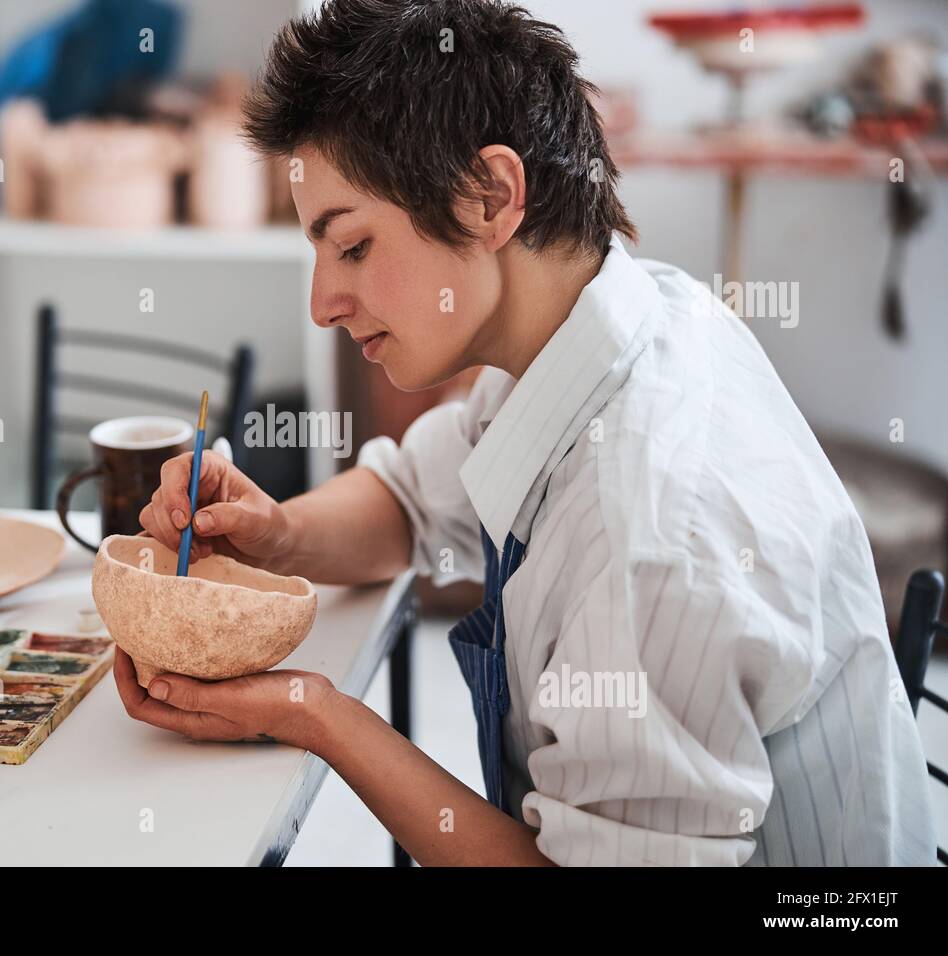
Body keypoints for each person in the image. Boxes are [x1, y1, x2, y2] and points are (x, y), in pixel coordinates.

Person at [114, 0, 935, 866]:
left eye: (351, 247)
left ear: (490, 197)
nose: (322, 304)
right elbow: (416, 499)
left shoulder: (652, 530)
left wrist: (312, 713)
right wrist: (276, 533)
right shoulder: (598, 325)